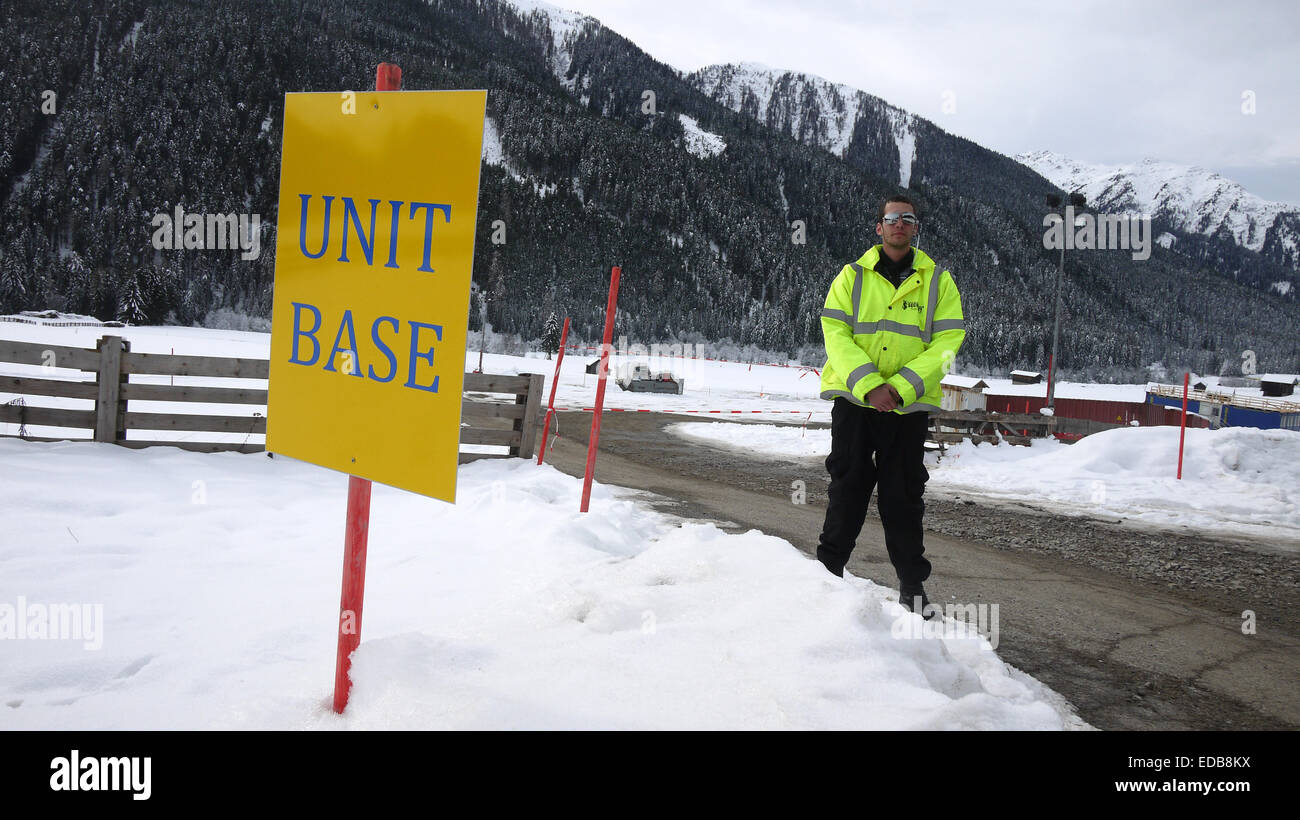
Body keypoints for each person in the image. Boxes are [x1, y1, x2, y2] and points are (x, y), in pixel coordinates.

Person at [815, 195, 966, 619]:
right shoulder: (851, 277)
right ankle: (828, 575)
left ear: (915, 228)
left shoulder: (939, 282)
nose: (899, 225)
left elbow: (947, 345)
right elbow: (835, 334)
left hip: (908, 407)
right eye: (891, 218)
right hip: (855, 402)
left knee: (903, 495)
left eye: (907, 219)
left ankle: (912, 588)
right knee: (848, 486)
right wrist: (868, 386)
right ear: (878, 227)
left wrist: (898, 389)